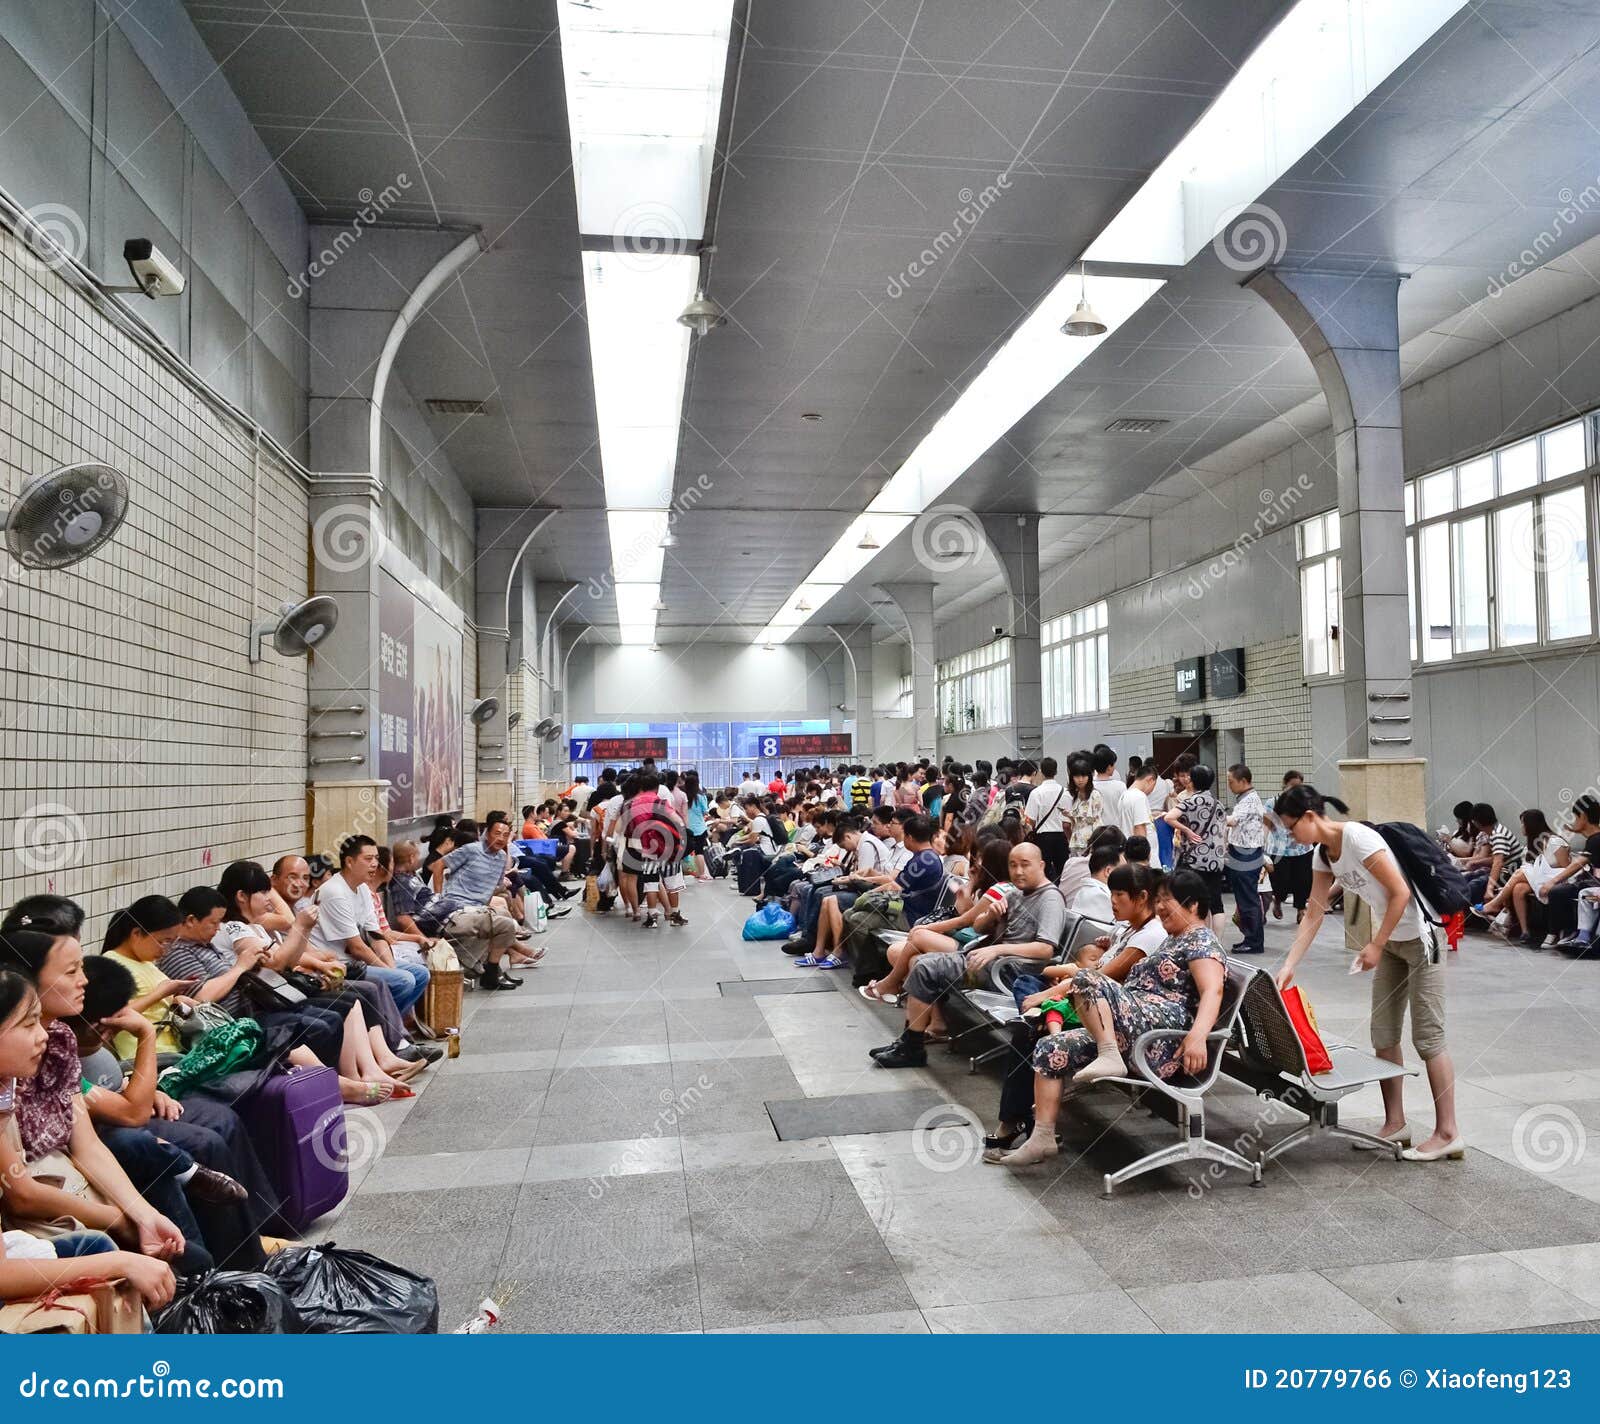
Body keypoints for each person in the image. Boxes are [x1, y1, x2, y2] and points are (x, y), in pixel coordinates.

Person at [1273, 784, 1462, 1162]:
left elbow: (1400, 893)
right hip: (1392, 944)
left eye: (1292, 827)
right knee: (1384, 1034)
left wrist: (1375, 943)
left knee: (1428, 1038)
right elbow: (1313, 912)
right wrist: (1289, 965)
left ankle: (1448, 1133)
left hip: (1424, 939)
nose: (1290, 836)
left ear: (1310, 817)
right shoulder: (1323, 856)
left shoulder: (1358, 838)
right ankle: (1396, 1123)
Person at [995, 867, 1227, 1166]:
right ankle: (1042, 1137)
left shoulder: (1201, 941)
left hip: (1161, 1037)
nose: (1159, 907)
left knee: (1086, 979)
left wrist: (1197, 1037)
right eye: (1158, 899)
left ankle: (1108, 1054)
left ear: (1192, 905)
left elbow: (1213, 991)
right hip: (1134, 1026)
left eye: (1166, 900)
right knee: (1050, 1047)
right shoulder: (1173, 939)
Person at [0, 924, 190, 1269]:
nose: (84, 980)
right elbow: (22, 1195)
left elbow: (86, 1143)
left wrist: (142, 1216)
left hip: (74, 1182)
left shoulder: (58, 1039)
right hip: (51, 1205)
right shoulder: (10, 1073)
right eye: (72, 970)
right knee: (138, 1147)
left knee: (170, 1237)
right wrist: (118, 1219)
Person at [986, 861, 1171, 1152]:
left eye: (1119, 895)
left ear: (1142, 897)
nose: (1111, 901)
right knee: (1025, 984)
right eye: (1111, 893)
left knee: (1028, 1031)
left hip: (1105, 1016)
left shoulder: (1151, 935)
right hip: (1086, 1002)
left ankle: (1013, 1123)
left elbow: (1098, 978)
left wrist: (1058, 991)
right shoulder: (1128, 929)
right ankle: (1043, 1018)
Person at [870, 843, 1067, 1070]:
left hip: (1009, 973)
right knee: (921, 963)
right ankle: (909, 1042)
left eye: (1025, 865)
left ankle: (911, 1047)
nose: (1019, 871)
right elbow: (980, 927)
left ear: (1041, 865)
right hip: (989, 962)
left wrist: (997, 949)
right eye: (1013, 865)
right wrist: (991, 916)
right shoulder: (1016, 893)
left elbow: (1045, 949)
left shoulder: (1050, 898)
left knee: (925, 968)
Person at [309, 836, 436, 1008]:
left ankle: (388, 1025)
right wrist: (389, 971)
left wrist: (390, 967)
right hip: (340, 964)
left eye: (376, 858)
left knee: (421, 974)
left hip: (357, 961)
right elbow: (357, 947)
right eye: (368, 859)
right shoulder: (334, 892)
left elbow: (376, 935)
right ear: (349, 861)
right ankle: (385, 1027)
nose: (375, 864)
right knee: (403, 980)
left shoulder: (362, 887)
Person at [420, 821, 532, 989]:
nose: (501, 838)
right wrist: (438, 898)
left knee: (502, 913)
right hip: (456, 906)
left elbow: (491, 887)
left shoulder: (501, 857)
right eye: (497, 833)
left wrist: (487, 906)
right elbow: (438, 865)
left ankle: (494, 969)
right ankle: (496, 969)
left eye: (505, 835)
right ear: (487, 834)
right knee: (505, 923)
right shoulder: (471, 850)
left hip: (477, 907)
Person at [1476, 810, 1568, 947]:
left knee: (1521, 871)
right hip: (1538, 879)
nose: (1521, 827)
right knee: (1518, 888)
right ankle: (1525, 931)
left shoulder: (1555, 842)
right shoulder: (1530, 846)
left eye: (1523, 823)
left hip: (1557, 879)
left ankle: (1494, 904)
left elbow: (1566, 867)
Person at [1165, 763, 1225, 926]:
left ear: (1193, 780)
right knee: (1216, 904)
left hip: (1194, 860)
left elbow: (1169, 817)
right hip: (1215, 860)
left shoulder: (1191, 801)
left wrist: (1187, 831)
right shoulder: (1217, 804)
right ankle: (1217, 943)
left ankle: (1199, 939)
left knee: (1194, 901)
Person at [1225, 764, 1266, 955]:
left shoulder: (1250, 800)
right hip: (1241, 851)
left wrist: (1212, 815)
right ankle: (1250, 937)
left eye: (1231, 781)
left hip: (1246, 853)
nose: (1229, 785)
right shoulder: (1244, 798)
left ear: (1243, 781)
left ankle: (1254, 941)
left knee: (1248, 898)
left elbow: (1232, 821)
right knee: (1244, 898)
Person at [1264, 770, 1313, 921]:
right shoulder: (1272, 802)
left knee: (1303, 880)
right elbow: (1266, 825)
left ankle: (1301, 908)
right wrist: (1262, 848)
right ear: (1284, 785)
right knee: (1280, 881)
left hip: (1302, 848)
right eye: (1292, 786)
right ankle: (1278, 900)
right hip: (1279, 850)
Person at [1023, 755, 1070, 881]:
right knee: (1062, 873)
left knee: (1044, 873)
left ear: (1041, 772)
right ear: (1056, 771)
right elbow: (1068, 821)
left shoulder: (1036, 793)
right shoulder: (1065, 792)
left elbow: (1030, 820)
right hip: (1061, 837)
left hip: (1043, 838)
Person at [1117, 762, 1160, 865]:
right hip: (1143, 857)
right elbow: (1139, 828)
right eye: (1154, 785)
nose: (1152, 790)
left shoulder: (1125, 794)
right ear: (1150, 780)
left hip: (1131, 854)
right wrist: (1143, 859)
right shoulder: (1139, 797)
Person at [1092, 744, 1124, 828]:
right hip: (1116, 830)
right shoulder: (1120, 786)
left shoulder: (1089, 786)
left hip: (1096, 831)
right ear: (1109, 767)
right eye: (1113, 764)